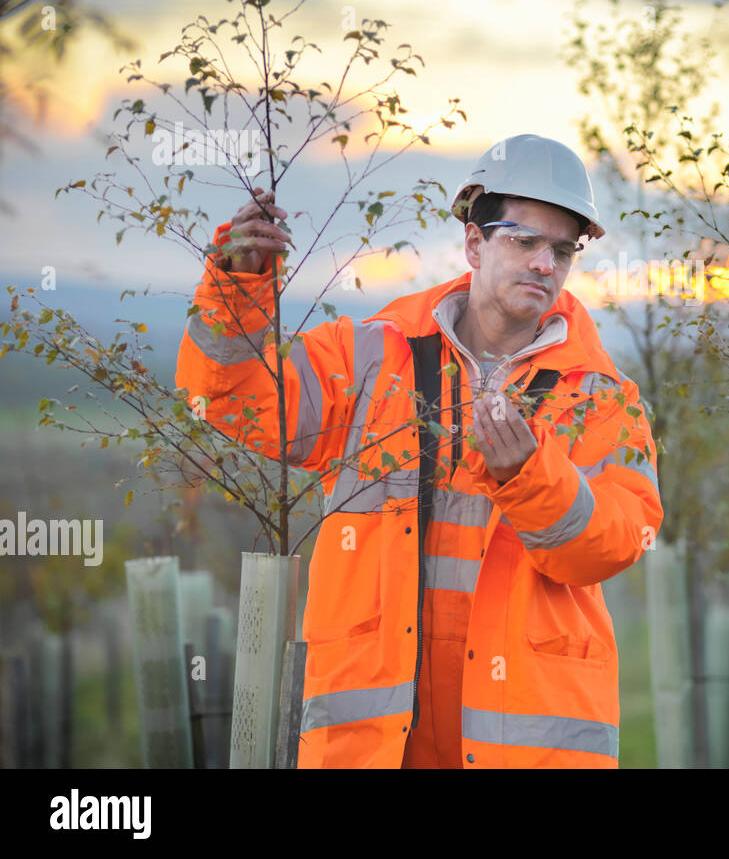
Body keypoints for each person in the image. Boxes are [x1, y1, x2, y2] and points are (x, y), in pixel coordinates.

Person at [176, 133, 662, 768]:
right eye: (524, 240)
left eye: (562, 250)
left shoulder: (604, 399)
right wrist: (238, 287)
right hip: (373, 743)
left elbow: (616, 542)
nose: (546, 263)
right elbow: (237, 400)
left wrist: (532, 479)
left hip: (523, 750)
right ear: (473, 242)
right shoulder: (373, 359)